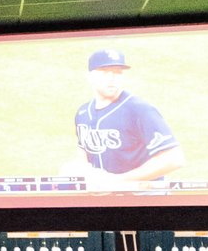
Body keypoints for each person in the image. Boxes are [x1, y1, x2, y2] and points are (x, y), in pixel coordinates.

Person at [65, 47, 184, 188]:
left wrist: (118, 181)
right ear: (89, 76)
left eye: (117, 73)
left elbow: (174, 159)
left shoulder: (140, 110)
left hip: (143, 200)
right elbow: (83, 153)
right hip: (105, 199)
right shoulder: (83, 112)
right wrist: (85, 174)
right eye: (104, 72)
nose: (112, 79)